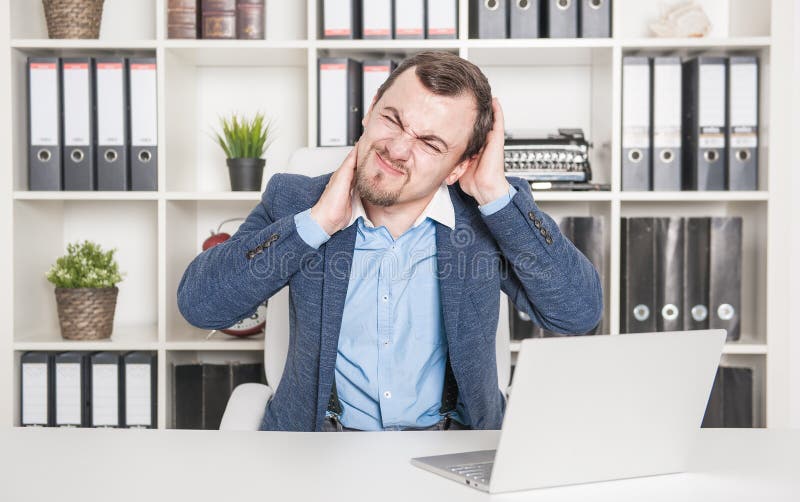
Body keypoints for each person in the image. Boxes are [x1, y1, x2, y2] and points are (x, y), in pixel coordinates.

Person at [177, 50, 603, 432]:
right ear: (370, 110)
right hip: (319, 444)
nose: (397, 150)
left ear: (458, 167)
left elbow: (578, 314)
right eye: (393, 119)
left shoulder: (488, 214)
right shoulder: (298, 200)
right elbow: (201, 305)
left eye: (430, 143)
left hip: (449, 445)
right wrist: (316, 224)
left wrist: (494, 194)